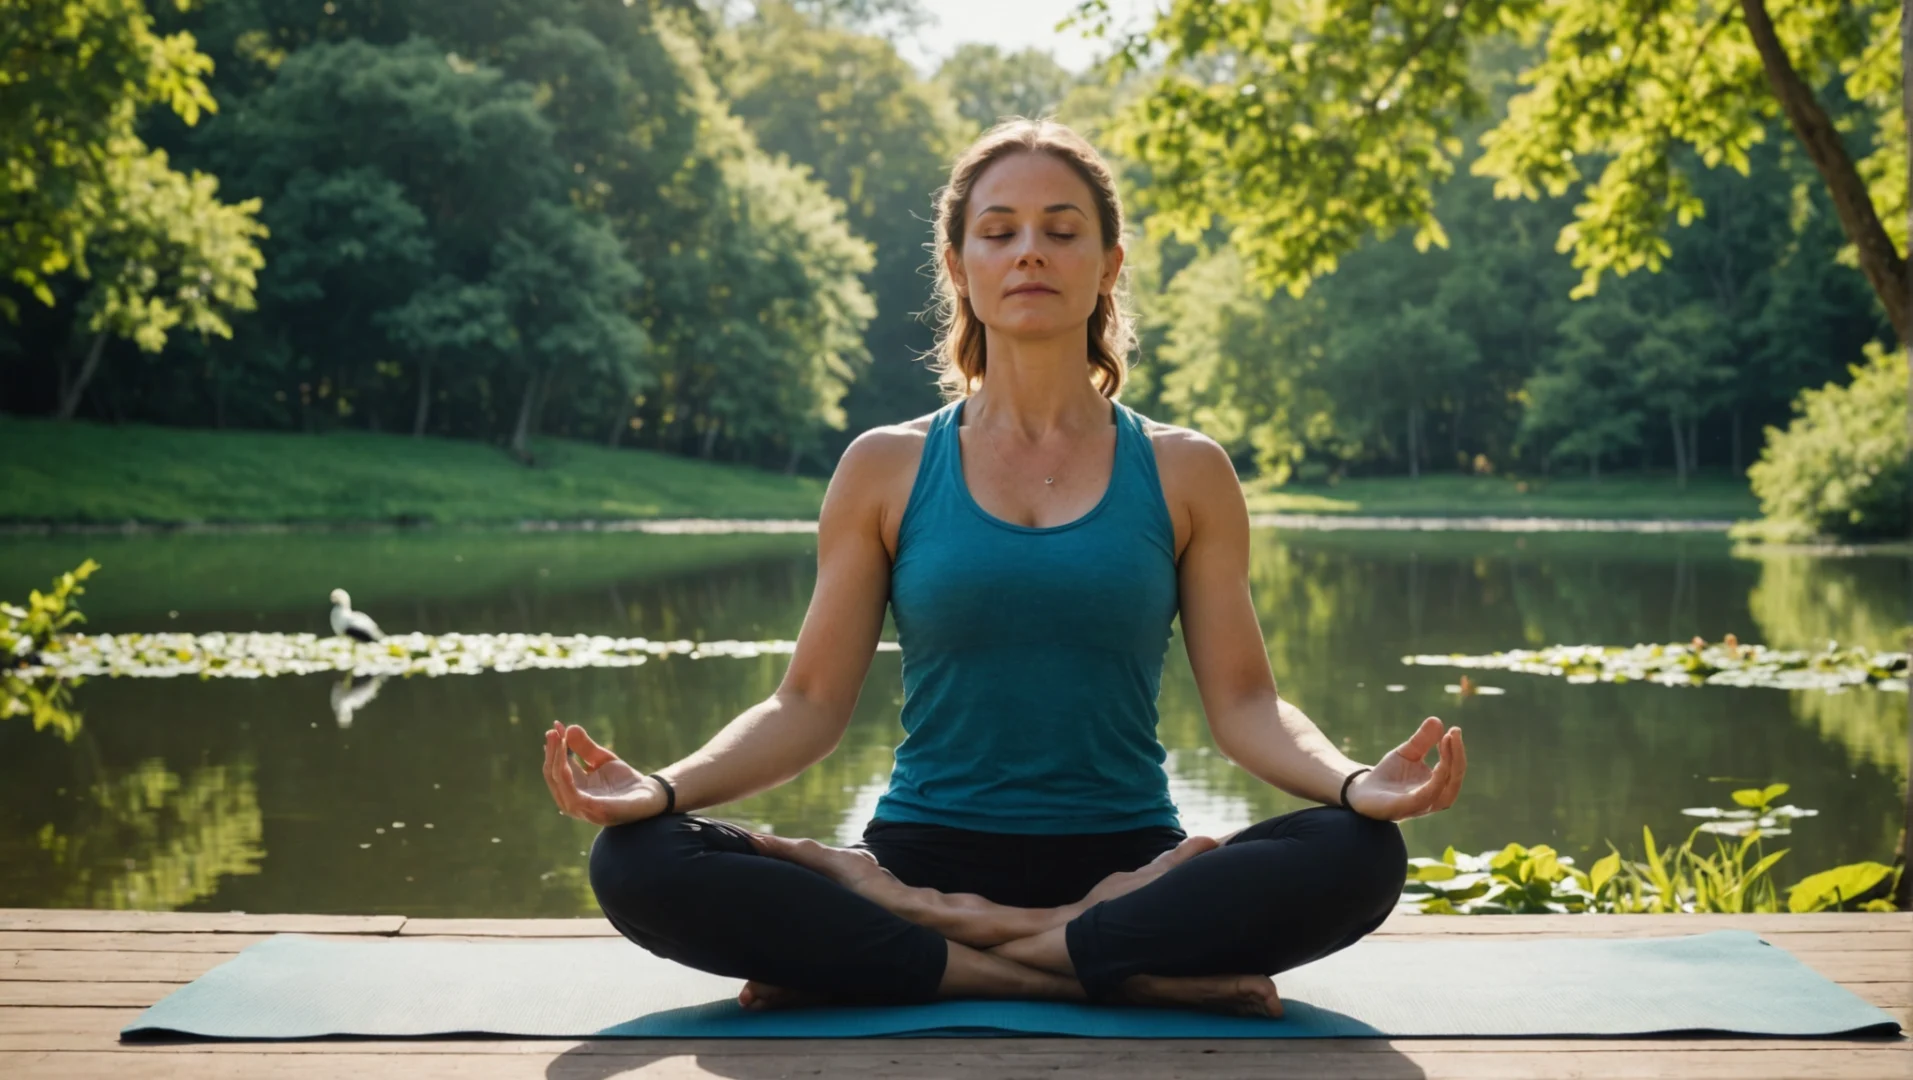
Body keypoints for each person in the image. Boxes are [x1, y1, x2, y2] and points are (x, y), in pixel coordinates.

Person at [539, 118, 1467, 1019]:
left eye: (1062, 231)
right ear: (959, 266)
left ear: (1106, 266)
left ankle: (920, 949)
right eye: (999, 232)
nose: (1030, 252)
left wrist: (1352, 782)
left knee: (1359, 854)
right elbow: (807, 707)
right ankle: (1085, 965)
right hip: (922, 854)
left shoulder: (1186, 471)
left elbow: (1246, 708)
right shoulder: (885, 466)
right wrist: (662, 790)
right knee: (636, 861)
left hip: (1129, 867)